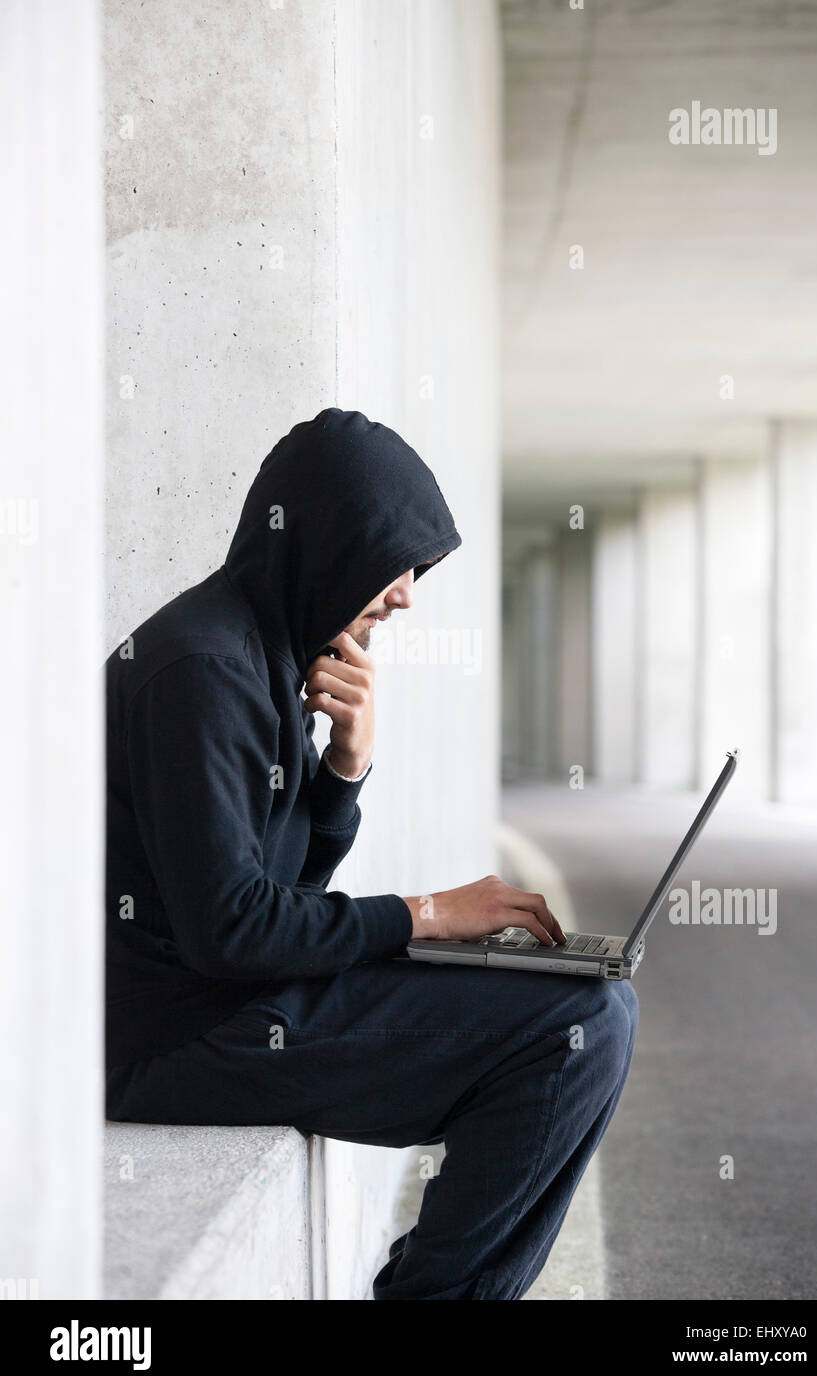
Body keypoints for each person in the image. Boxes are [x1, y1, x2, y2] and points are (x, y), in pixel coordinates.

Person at [104, 406, 637, 1300]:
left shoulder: (263, 655)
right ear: (327, 543)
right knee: (575, 1031)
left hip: (222, 1004)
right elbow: (230, 931)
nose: (405, 593)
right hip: (170, 1037)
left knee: (587, 1005)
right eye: (395, 562)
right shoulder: (204, 670)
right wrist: (423, 918)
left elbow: (278, 892)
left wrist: (340, 773)